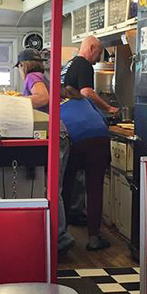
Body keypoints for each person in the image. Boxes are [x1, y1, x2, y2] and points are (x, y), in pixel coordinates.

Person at [15, 47, 74, 254]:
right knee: (53, 188)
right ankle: (58, 236)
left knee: (52, 188)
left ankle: (60, 240)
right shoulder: (43, 75)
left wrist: (13, 102)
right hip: (60, 135)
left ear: (23, 66)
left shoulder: (32, 76)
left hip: (56, 135)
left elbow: (42, 98)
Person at [60, 86, 111, 251]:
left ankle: (63, 235)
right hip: (100, 138)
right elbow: (103, 120)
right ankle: (94, 238)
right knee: (95, 189)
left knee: (65, 187)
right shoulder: (86, 101)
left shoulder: (56, 106)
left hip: (74, 141)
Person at [61, 35, 119, 116]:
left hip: (63, 112)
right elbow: (87, 93)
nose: (99, 59)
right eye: (99, 53)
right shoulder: (84, 64)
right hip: (73, 114)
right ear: (91, 48)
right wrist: (109, 108)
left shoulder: (71, 63)